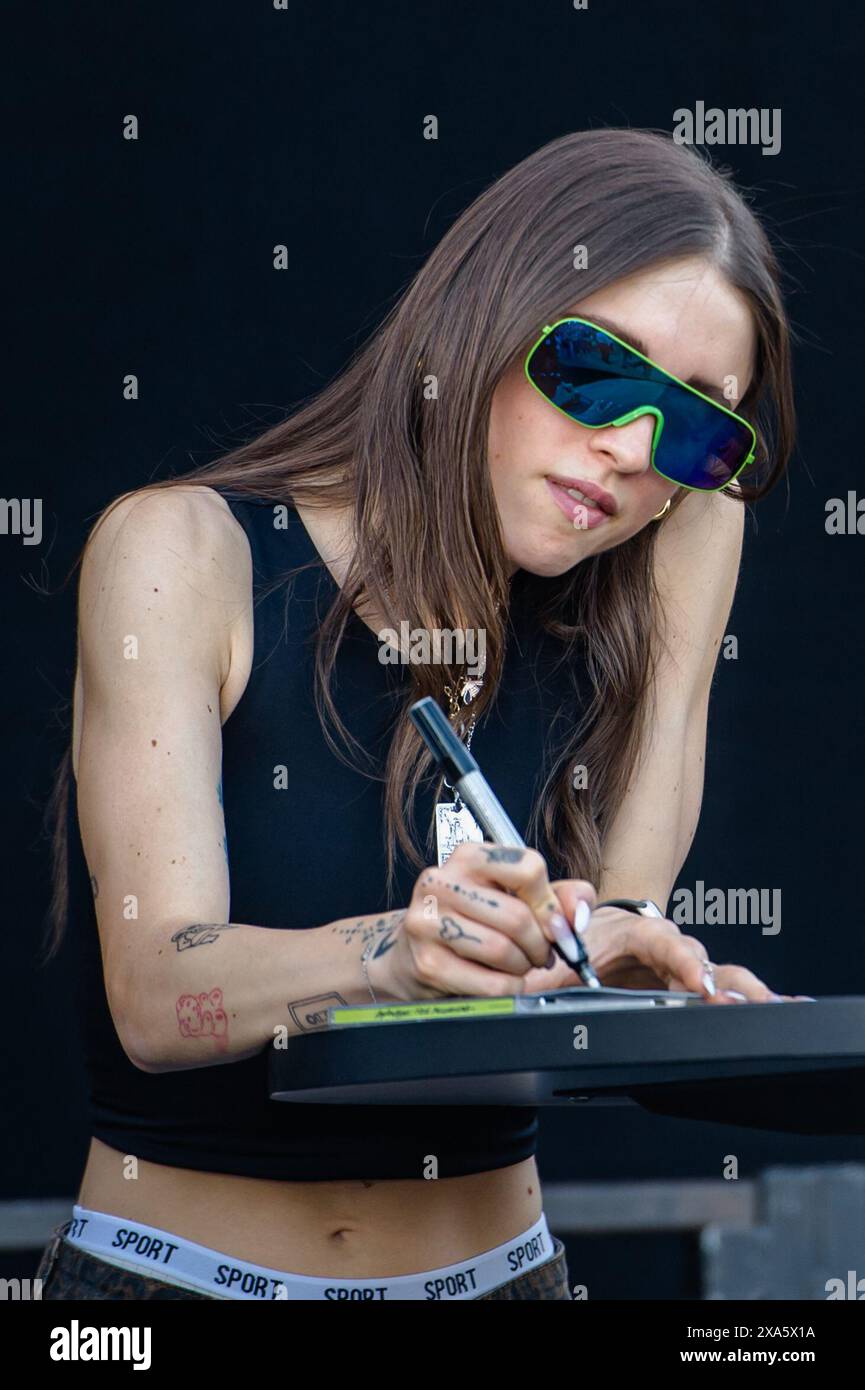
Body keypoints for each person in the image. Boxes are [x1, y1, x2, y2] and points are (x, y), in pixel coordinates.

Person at [37, 128, 801, 1301]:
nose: (634, 446)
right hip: (175, 1284)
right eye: (597, 371)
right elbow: (155, 997)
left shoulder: (668, 533)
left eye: (703, 424)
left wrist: (656, 981)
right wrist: (400, 954)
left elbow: (601, 938)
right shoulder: (184, 552)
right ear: (483, 318)